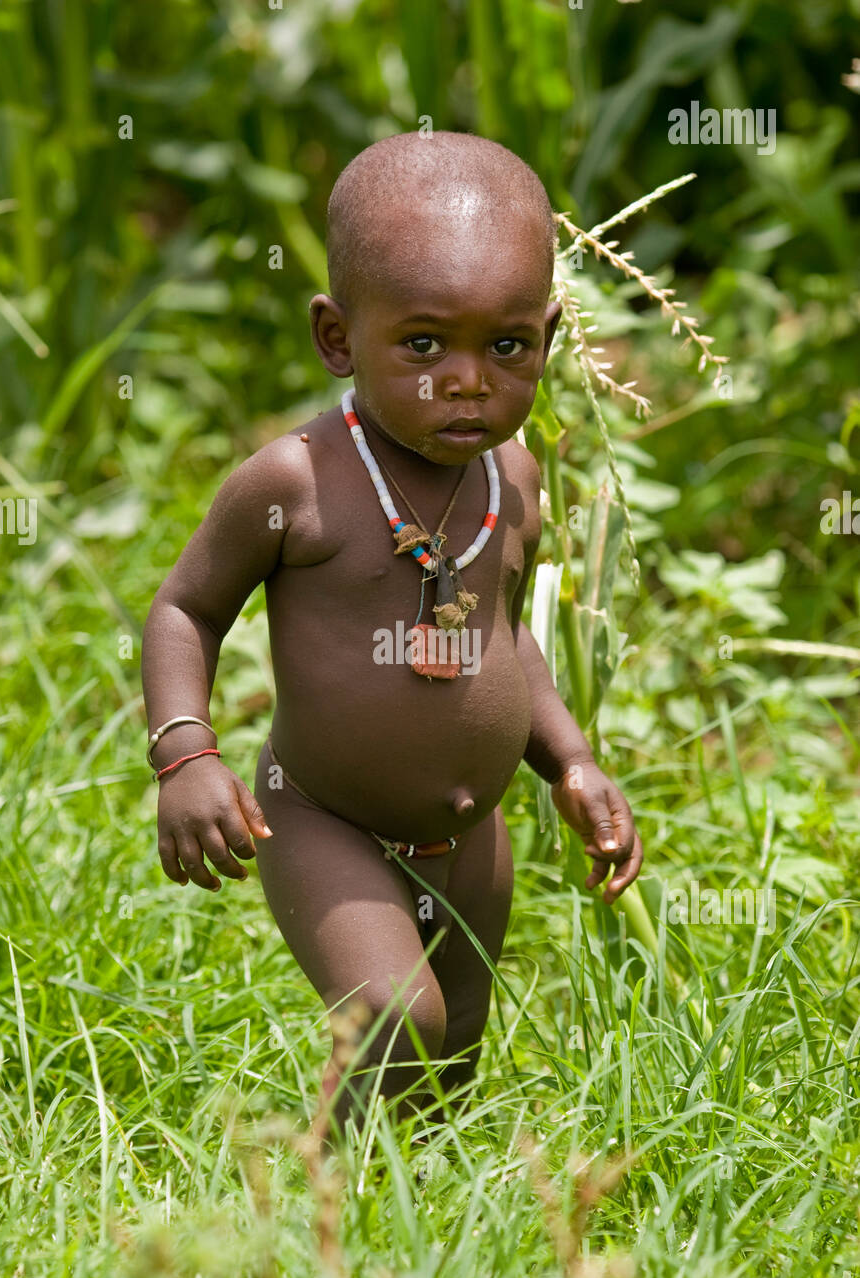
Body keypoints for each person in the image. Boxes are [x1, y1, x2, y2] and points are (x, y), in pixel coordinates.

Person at [141, 131, 643, 1137]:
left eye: (506, 345)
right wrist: (185, 754)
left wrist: (570, 761)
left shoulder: (515, 483)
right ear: (337, 338)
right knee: (391, 1015)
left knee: (452, 1040)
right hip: (323, 816)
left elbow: (503, 640)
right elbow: (183, 608)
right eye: (421, 345)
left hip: (470, 837)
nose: (466, 380)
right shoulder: (297, 484)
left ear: (547, 331)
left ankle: (412, 1234)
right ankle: (319, 1209)